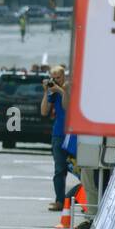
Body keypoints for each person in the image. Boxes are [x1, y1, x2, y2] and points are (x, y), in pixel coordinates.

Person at [39, 65, 71, 212]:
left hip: (72, 134)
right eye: (53, 78)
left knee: (80, 169)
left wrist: (59, 90)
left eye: (58, 77)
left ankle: (83, 198)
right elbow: (44, 111)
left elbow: (66, 106)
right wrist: (46, 92)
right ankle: (59, 201)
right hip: (58, 133)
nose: (56, 80)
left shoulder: (68, 88)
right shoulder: (54, 91)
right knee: (59, 169)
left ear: (64, 76)